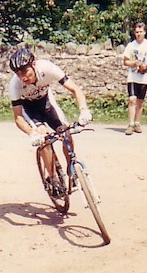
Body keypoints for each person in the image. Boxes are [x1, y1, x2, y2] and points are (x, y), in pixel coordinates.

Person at [7, 47, 92, 191]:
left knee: (66, 132)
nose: (23, 77)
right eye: (18, 73)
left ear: (33, 64)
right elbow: (18, 118)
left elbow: (75, 89)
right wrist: (32, 133)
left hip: (46, 103)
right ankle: (53, 179)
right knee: (44, 137)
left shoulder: (47, 68)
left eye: (25, 71)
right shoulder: (15, 85)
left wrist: (84, 110)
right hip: (30, 110)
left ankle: (72, 170)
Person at [122, 21, 147, 135]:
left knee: (140, 101)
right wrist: (134, 63)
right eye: (137, 32)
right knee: (132, 99)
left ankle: (137, 123)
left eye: (141, 32)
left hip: (144, 76)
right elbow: (125, 61)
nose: (138, 34)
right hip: (132, 76)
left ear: (144, 32)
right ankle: (131, 124)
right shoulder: (131, 45)